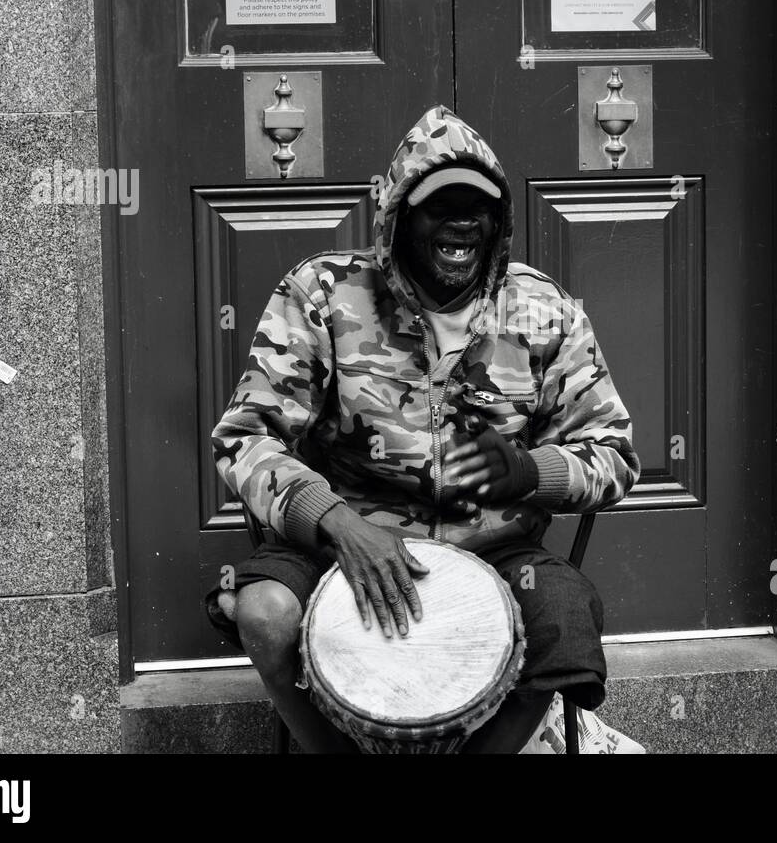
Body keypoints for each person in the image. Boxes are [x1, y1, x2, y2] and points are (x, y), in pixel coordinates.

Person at [205, 106, 639, 752]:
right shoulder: (323, 292)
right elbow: (245, 437)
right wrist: (337, 523)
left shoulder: (544, 309)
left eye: (479, 207)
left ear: (499, 220)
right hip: (346, 541)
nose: (462, 221)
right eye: (440, 206)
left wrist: (530, 471)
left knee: (564, 620)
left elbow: (614, 456)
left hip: (494, 551)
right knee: (265, 613)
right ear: (399, 217)